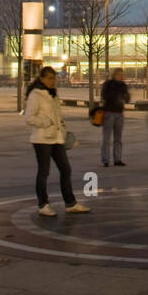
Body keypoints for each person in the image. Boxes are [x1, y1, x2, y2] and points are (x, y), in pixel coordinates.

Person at [24, 66, 90, 217]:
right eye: (49, 78)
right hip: (42, 139)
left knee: (65, 169)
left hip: (56, 137)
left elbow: (57, 115)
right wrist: (45, 122)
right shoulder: (36, 94)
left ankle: (70, 203)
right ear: (42, 78)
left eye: (54, 79)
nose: (52, 81)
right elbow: (29, 117)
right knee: (44, 171)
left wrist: (63, 129)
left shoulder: (53, 94)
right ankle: (43, 204)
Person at [100, 67, 129, 166]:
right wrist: (116, 96)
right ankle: (105, 160)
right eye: (119, 74)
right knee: (106, 138)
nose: (121, 76)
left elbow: (127, 98)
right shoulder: (108, 84)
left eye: (122, 74)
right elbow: (104, 96)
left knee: (118, 138)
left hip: (119, 113)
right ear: (114, 74)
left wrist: (126, 97)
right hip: (109, 112)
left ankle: (118, 159)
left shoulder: (123, 85)